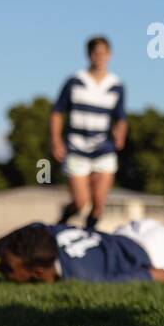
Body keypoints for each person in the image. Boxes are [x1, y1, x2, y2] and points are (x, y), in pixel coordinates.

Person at [0, 114, 164, 283]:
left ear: (36, 272)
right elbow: (21, 236)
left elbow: (158, 275)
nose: (1, 271)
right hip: (131, 235)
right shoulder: (43, 237)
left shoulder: (85, 276)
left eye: (8, 269)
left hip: (158, 251)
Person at [51, 36, 127, 229]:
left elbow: (120, 117)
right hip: (77, 147)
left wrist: (120, 134)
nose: (99, 57)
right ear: (89, 55)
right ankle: (60, 224)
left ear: (109, 55)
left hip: (103, 148)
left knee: (98, 204)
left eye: (103, 53)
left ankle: (90, 236)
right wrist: (56, 140)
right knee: (81, 202)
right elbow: (57, 112)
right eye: (96, 53)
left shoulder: (116, 85)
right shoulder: (75, 81)